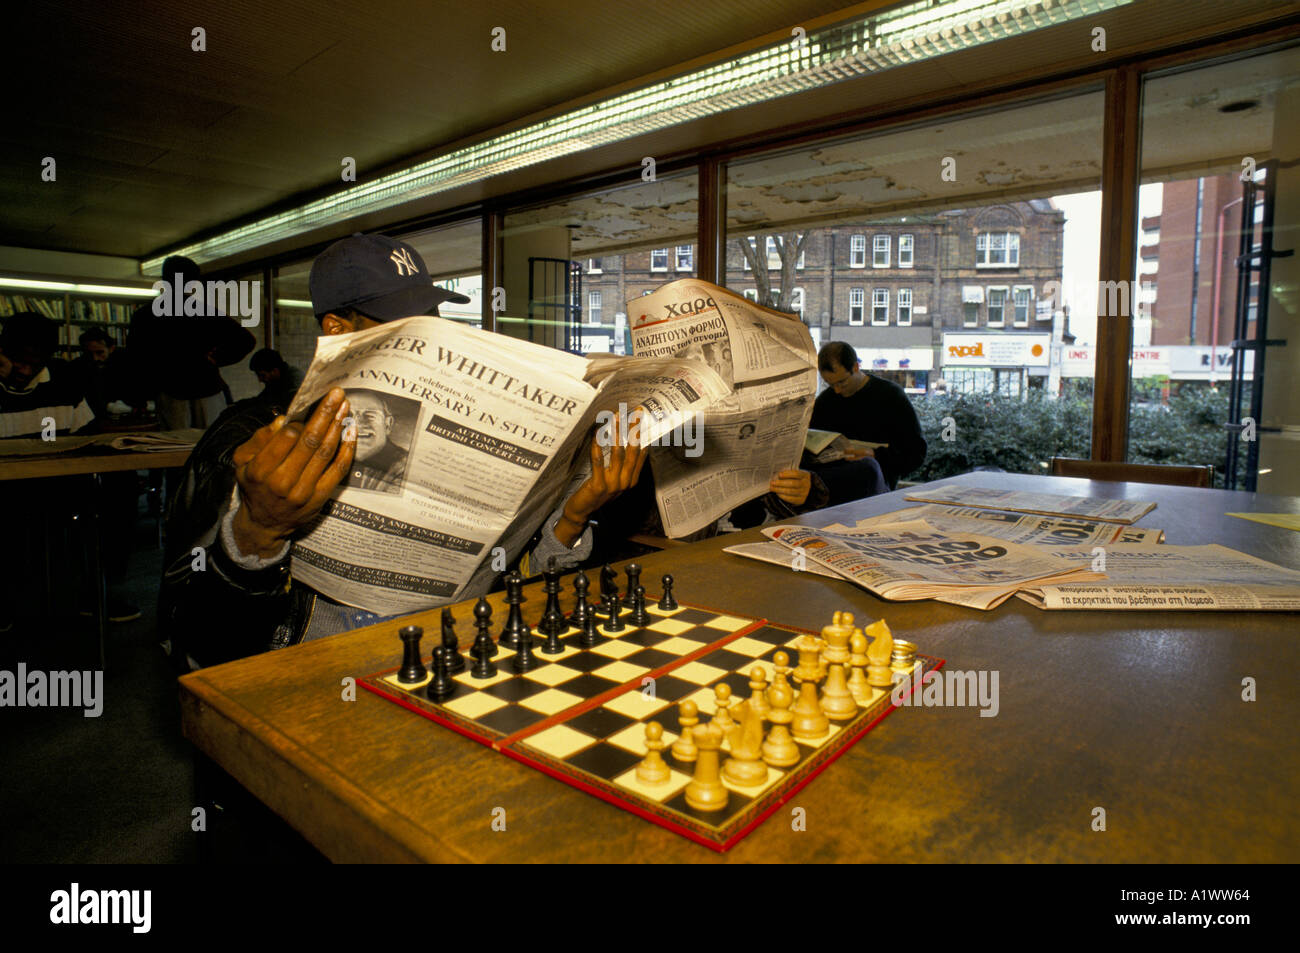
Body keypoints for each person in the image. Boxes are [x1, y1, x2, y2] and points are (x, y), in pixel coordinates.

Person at [160, 233, 648, 668]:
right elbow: (198, 648)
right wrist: (258, 532)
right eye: (405, 323)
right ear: (336, 328)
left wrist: (573, 519)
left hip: (447, 657)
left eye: (432, 317)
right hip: (319, 671)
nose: (430, 335)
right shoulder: (252, 435)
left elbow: (512, 591)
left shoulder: (441, 421)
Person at [127, 255, 257, 430]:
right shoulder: (204, 312)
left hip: (170, 388)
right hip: (205, 386)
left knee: (175, 447)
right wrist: (218, 358)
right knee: (210, 442)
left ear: (165, 280)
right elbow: (246, 340)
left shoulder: (145, 315)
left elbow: (135, 358)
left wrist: (140, 396)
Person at [809, 341, 926, 490]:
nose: (837, 390)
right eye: (830, 384)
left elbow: (916, 453)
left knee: (868, 469)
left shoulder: (891, 396)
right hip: (832, 487)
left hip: (875, 486)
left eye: (842, 382)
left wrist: (876, 456)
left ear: (856, 367)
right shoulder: (825, 402)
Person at [344, 388, 408, 493]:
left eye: (369, 415)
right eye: (348, 416)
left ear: (388, 424)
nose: (355, 424)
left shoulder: (404, 467)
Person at [248, 347, 301, 412]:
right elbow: (262, 399)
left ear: (275, 371)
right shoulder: (274, 381)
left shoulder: (294, 382)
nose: (260, 380)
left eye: (262, 375)